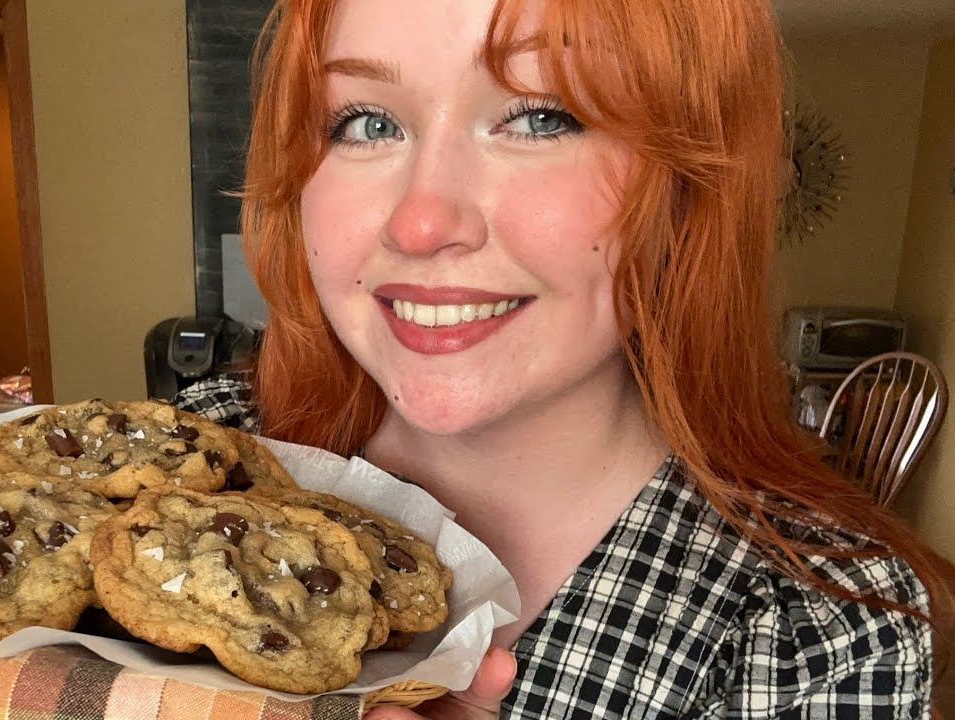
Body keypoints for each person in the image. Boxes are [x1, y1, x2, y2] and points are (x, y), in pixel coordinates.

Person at [213, 0, 955, 716]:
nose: (421, 224)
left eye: (540, 117)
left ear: (686, 187)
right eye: (367, 123)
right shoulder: (205, 463)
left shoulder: (818, 634)